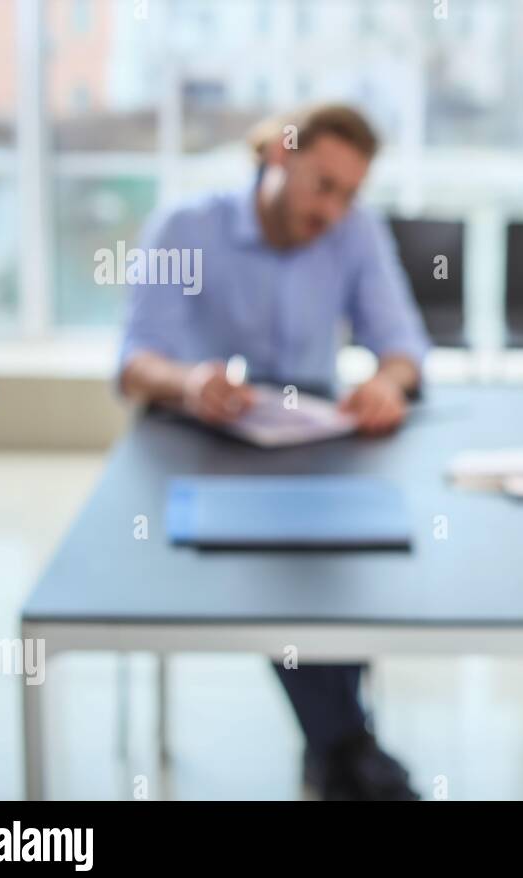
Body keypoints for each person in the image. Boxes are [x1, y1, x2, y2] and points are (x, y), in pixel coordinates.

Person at [118, 104, 431, 800]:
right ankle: (348, 749)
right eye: (323, 185)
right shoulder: (186, 227)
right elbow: (136, 361)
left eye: (349, 193)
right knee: (282, 569)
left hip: (318, 437)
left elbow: (404, 347)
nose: (334, 208)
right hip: (201, 440)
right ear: (278, 160)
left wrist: (387, 381)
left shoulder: (355, 231)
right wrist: (190, 380)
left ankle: (340, 748)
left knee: (340, 562)